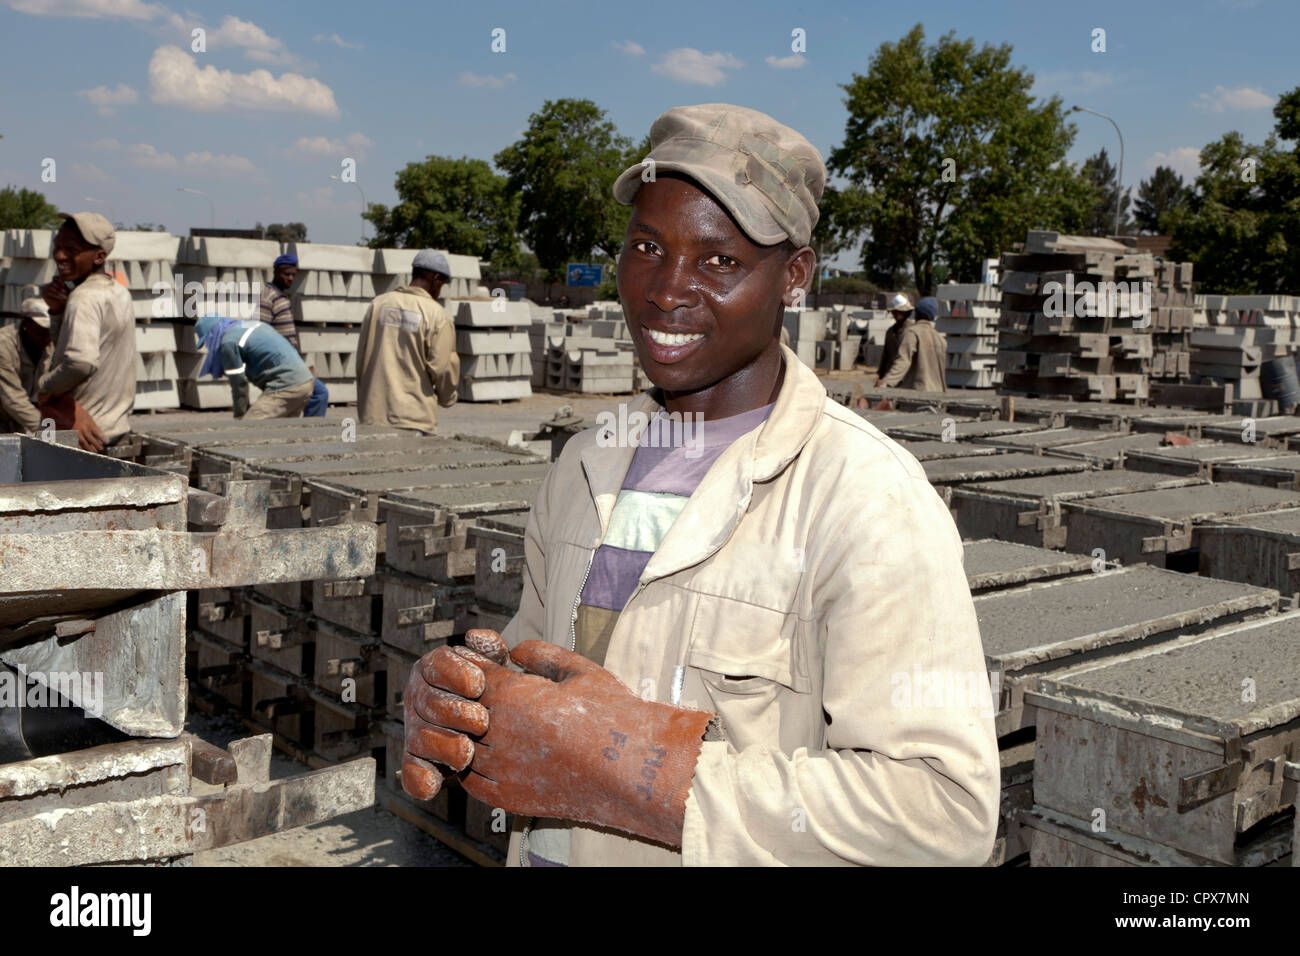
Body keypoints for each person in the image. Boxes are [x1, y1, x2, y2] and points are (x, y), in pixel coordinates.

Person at [401, 104, 998, 867]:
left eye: (719, 261)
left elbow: (942, 813)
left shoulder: (866, 500)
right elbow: (541, 665)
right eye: (647, 246)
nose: (667, 289)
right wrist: (465, 697)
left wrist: (633, 768)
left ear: (795, 277)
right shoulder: (586, 464)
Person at [38, 211, 135, 453]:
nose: (60, 256)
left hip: (82, 437)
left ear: (99, 256)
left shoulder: (84, 299)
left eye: (71, 250)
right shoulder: (118, 292)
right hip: (113, 429)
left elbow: (81, 362)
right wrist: (58, 312)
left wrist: (44, 388)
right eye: (57, 246)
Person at [355, 249, 459, 435]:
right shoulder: (437, 315)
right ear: (435, 279)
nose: (440, 291)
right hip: (413, 419)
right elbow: (442, 368)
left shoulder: (378, 305)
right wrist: (448, 397)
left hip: (373, 416)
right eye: (441, 284)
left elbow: (362, 357)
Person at [193, 313, 315, 419]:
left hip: (286, 387)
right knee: (284, 435)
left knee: (248, 432)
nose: (208, 346)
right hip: (306, 382)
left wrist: (240, 416)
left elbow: (239, 384)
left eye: (207, 341)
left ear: (212, 334)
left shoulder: (229, 342)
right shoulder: (249, 325)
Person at [260, 253, 329, 417]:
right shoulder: (267, 297)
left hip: (290, 361)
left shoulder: (280, 297)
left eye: (293, 275)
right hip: (281, 363)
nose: (290, 279)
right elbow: (261, 332)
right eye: (286, 274)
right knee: (318, 393)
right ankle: (313, 436)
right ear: (276, 272)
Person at [0, 297, 53, 434]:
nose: (47, 337)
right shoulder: (3, 345)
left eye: (50, 331)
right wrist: (47, 431)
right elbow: (12, 397)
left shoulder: (48, 346)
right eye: (42, 331)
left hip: (16, 419)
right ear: (26, 324)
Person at [878, 295, 948, 392]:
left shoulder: (912, 333)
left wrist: (886, 382)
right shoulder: (940, 339)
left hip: (917, 388)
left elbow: (903, 361)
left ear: (915, 313)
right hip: (937, 391)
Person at [873, 291, 914, 388]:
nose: (897, 315)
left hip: (906, 378)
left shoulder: (911, 332)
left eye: (900, 312)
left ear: (906, 313)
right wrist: (881, 376)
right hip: (889, 377)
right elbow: (885, 356)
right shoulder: (890, 332)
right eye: (895, 312)